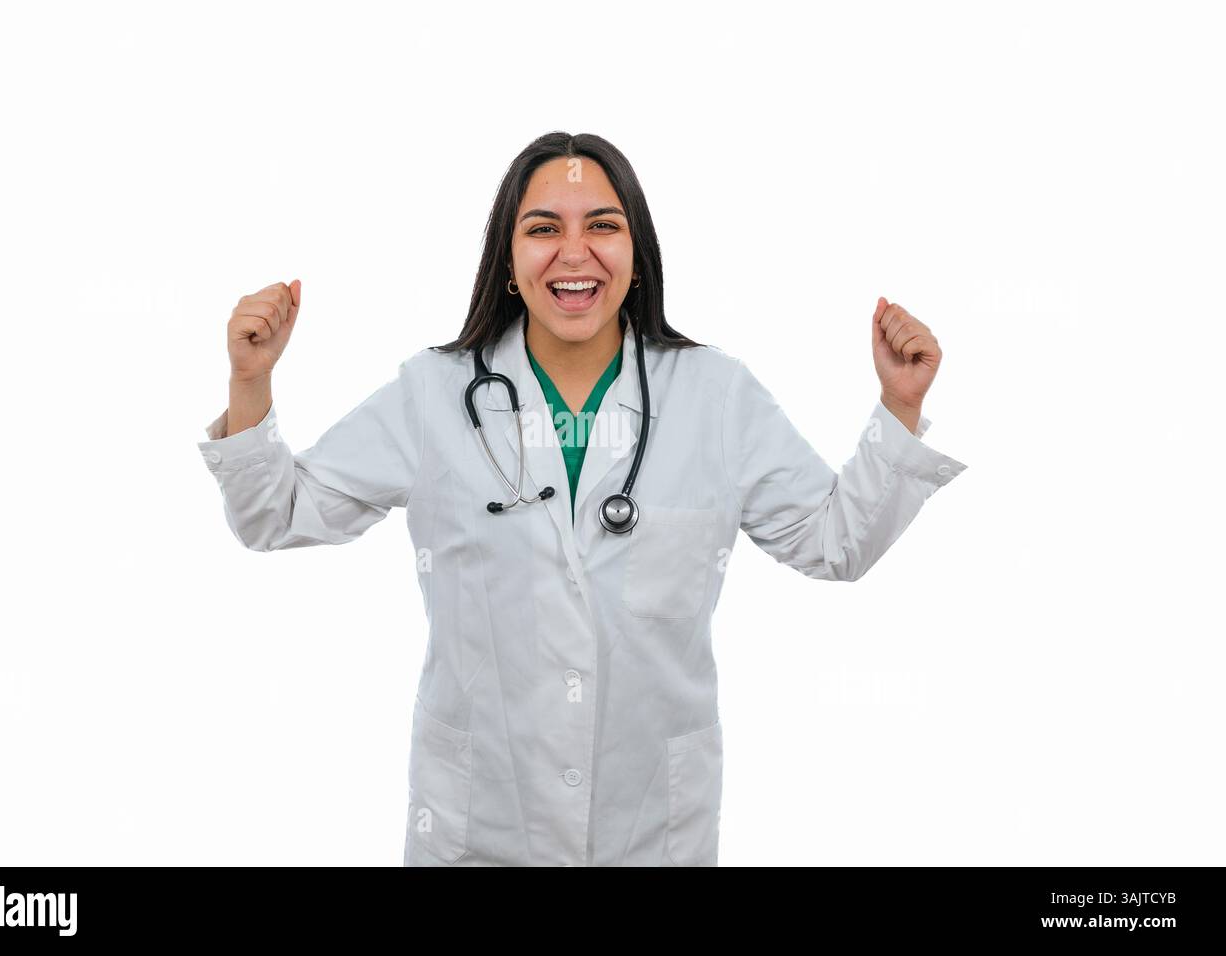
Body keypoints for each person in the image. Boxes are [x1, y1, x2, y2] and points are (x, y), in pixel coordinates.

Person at [196, 132, 968, 866]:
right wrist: (250, 381)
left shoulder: (715, 396)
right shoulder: (432, 395)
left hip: (651, 833)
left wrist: (898, 406)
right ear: (508, 259)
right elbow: (276, 515)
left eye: (603, 224)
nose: (574, 252)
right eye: (542, 228)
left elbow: (834, 544)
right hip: (478, 831)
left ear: (637, 256)